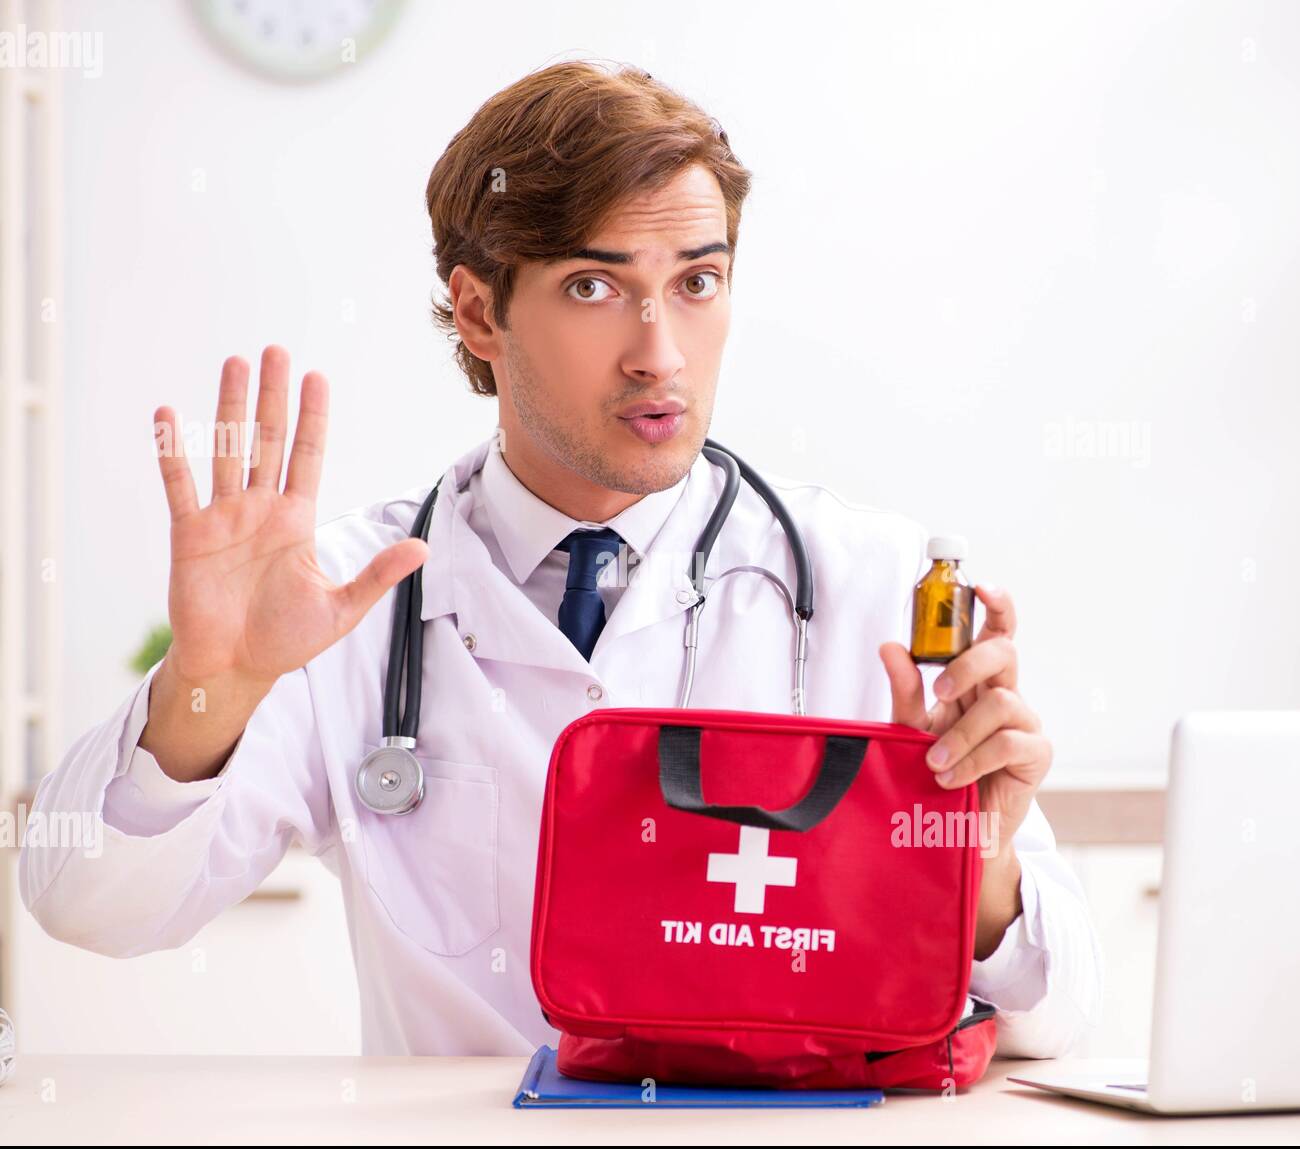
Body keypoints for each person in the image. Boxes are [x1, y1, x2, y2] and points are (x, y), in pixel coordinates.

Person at [21, 61, 1101, 1060]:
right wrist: (218, 681)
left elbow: (1060, 1019)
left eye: (696, 281)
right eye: (594, 286)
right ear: (482, 311)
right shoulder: (343, 601)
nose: (659, 351)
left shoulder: (872, 582)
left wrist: (980, 863)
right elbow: (85, 902)